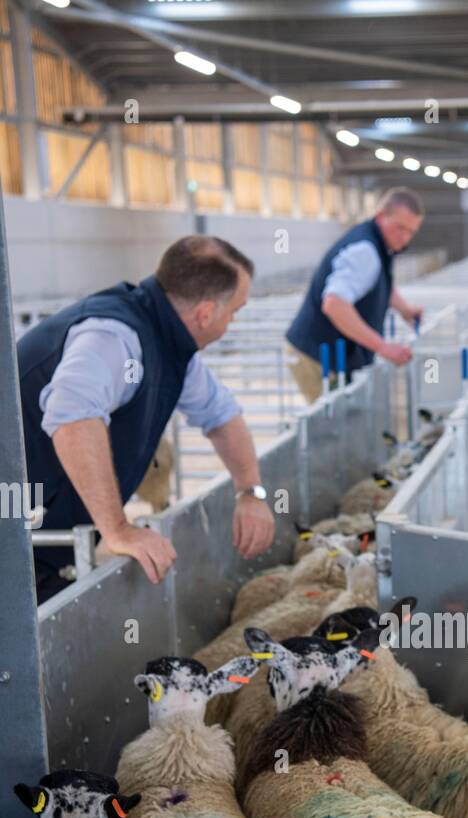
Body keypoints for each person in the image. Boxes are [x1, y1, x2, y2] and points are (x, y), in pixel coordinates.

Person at [18, 235, 276, 603]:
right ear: (206, 312)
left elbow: (221, 415)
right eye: (234, 311)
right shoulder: (113, 336)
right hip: (19, 526)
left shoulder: (168, 342)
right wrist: (118, 529)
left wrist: (250, 492)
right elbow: (73, 418)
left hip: (45, 536)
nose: (231, 322)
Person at [286, 187, 425, 403]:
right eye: (400, 228)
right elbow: (334, 304)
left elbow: (374, 282)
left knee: (343, 418)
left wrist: (404, 308)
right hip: (318, 357)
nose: (404, 238)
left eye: (411, 232)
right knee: (331, 424)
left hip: (329, 353)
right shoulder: (365, 251)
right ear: (381, 216)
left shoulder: (376, 244)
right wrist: (383, 347)